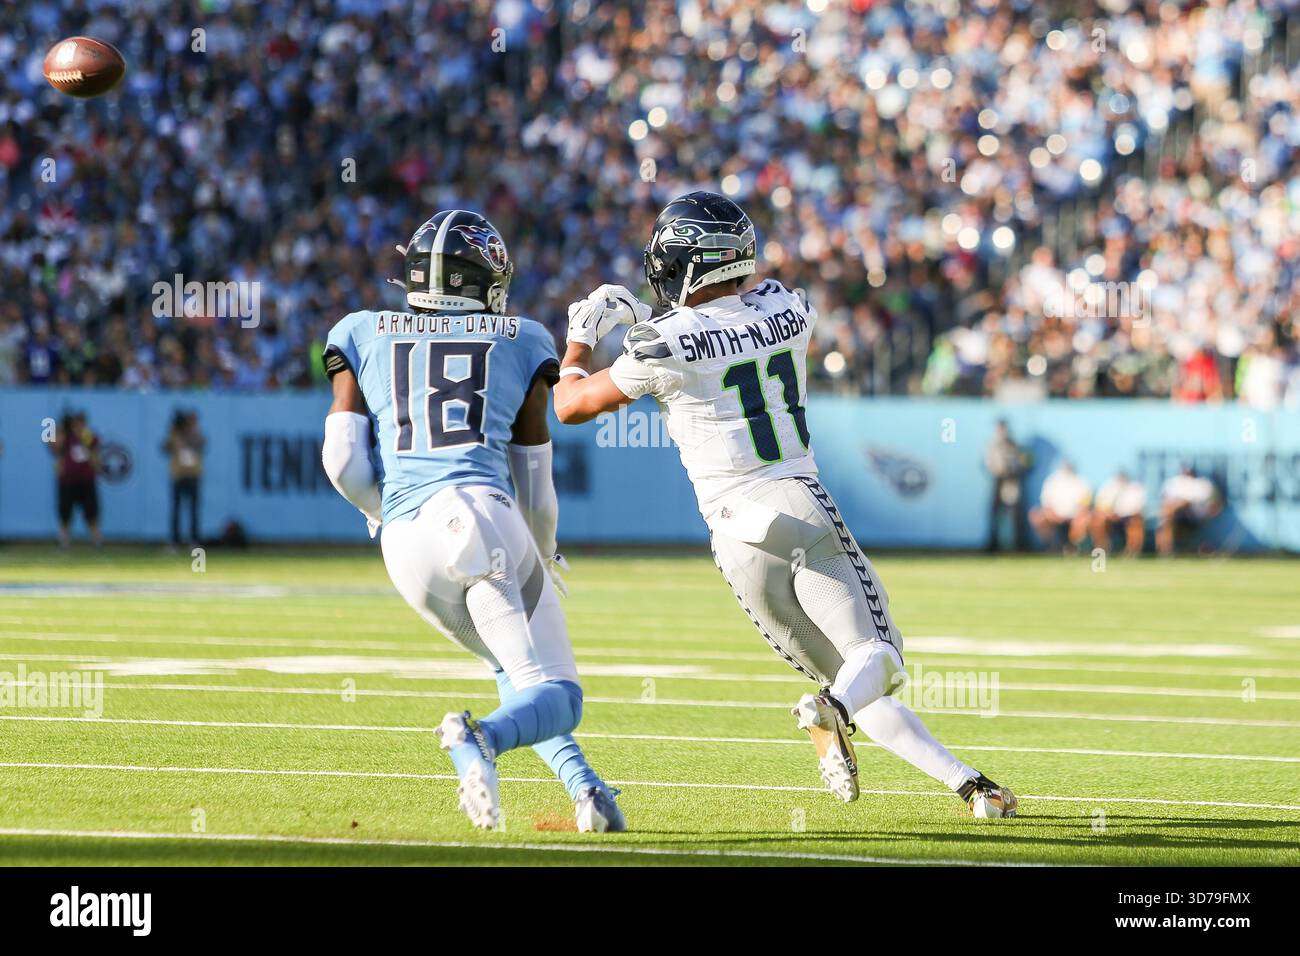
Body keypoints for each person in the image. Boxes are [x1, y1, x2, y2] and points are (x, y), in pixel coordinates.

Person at [552, 191, 1016, 818]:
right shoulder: (787, 308)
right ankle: (831, 714)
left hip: (733, 537)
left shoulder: (663, 342)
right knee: (877, 660)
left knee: (849, 680)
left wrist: (581, 340)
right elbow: (741, 302)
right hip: (797, 502)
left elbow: (570, 406)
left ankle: (969, 786)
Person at [320, 209, 623, 832]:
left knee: (513, 672)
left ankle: (587, 790)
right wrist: (544, 549)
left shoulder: (359, 330)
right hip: (485, 515)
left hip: (406, 544)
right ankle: (475, 739)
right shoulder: (525, 338)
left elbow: (344, 461)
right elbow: (535, 484)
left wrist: (383, 512)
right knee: (561, 697)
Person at [51, 411, 101, 548]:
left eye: (81, 423)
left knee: (91, 513)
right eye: (75, 423)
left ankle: (96, 540)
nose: (78, 426)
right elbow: (53, 445)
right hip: (68, 481)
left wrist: (83, 435)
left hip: (86, 480)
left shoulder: (88, 436)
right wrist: (59, 427)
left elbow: (94, 449)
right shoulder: (66, 437)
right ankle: (64, 540)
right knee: (65, 513)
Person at [983, 419, 1030, 552]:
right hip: (998, 480)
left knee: (1016, 514)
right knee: (995, 513)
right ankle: (993, 544)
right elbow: (989, 463)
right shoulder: (992, 445)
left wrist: (1014, 471)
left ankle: (1019, 545)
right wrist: (999, 471)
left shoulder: (1014, 445)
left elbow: (1023, 462)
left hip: (1012, 481)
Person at [1156, 465, 1223, 556]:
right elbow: (1166, 501)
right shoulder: (1173, 483)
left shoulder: (1201, 484)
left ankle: (1167, 548)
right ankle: (1165, 550)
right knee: (1167, 516)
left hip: (1196, 516)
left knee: (1177, 507)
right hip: (1176, 516)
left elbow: (1214, 503)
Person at [1029, 459, 1092, 553]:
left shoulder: (1080, 481)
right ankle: (1049, 546)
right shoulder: (1052, 480)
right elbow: (1046, 504)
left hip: (1075, 516)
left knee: (1083, 520)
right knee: (1037, 516)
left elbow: (1085, 505)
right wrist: (1054, 516)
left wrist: (1077, 516)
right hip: (1054, 515)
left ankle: (1073, 546)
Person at [163, 410, 205, 548]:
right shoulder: (174, 435)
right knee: (176, 509)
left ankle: (194, 540)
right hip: (178, 475)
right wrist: (173, 433)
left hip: (193, 475)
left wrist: (190, 431)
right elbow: (164, 448)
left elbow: (201, 443)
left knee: (194, 510)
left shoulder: (195, 434)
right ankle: (175, 540)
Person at [1090, 470, 1147, 557]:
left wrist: (1123, 513)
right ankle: (1102, 549)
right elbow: (1100, 506)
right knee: (1098, 521)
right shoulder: (1108, 487)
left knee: (1136, 522)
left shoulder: (1136, 488)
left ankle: (1132, 552)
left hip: (1129, 516)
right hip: (1110, 516)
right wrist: (1110, 514)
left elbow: (1138, 508)